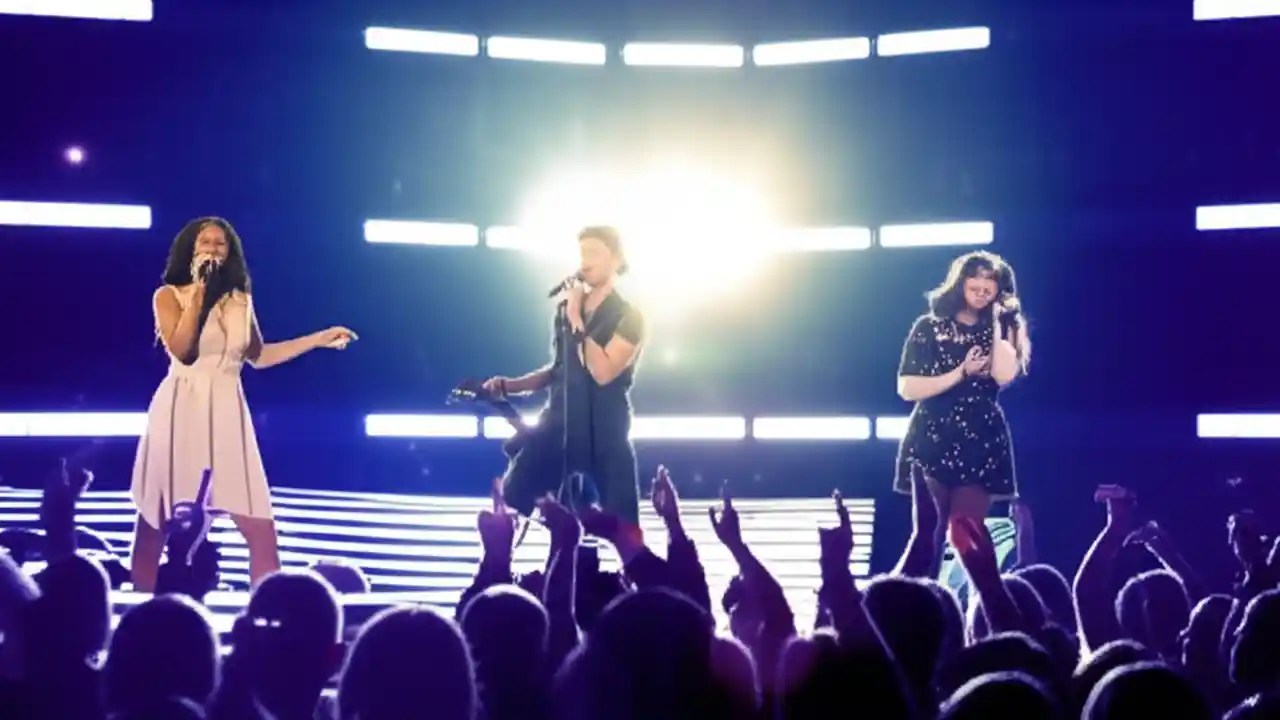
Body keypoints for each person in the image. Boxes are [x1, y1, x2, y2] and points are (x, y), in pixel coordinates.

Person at [129, 217, 356, 591]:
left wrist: (318, 338)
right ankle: (142, 619)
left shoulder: (240, 300)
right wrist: (200, 292)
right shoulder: (168, 296)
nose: (214, 249)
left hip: (228, 413)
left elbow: (259, 355)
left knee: (260, 528)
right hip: (180, 410)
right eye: (206, 242)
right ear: (190, 249)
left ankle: (269, 619)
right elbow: (183, 352)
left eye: (221, 244)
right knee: (155, 523)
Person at [483, 226, 646, 524]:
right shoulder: (564, 311)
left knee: (623, 525)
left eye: (595, 252)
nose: (585, 260)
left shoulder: (628, 317)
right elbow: (560, 369)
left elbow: (602, 372)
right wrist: (510, 385)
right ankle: (498, 564)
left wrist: (576, 316)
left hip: (604, 431)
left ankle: (629, 570)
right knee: (508, 503)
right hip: (558, 423)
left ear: (616, 259)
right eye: (582, 253)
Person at [895, 251, 1030, 543]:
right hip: (933, 433)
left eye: (988, 292)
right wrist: (961, 373)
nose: (981, 296)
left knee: (965, 532)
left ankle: (981, 588)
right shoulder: (929, 327)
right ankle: (923, 588)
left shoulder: (1004, 329)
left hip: (980, 437)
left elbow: (1004, 375)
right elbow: (907, 388)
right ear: (959, 285)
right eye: (974, 289)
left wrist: (1000, 323)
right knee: (928, 532)